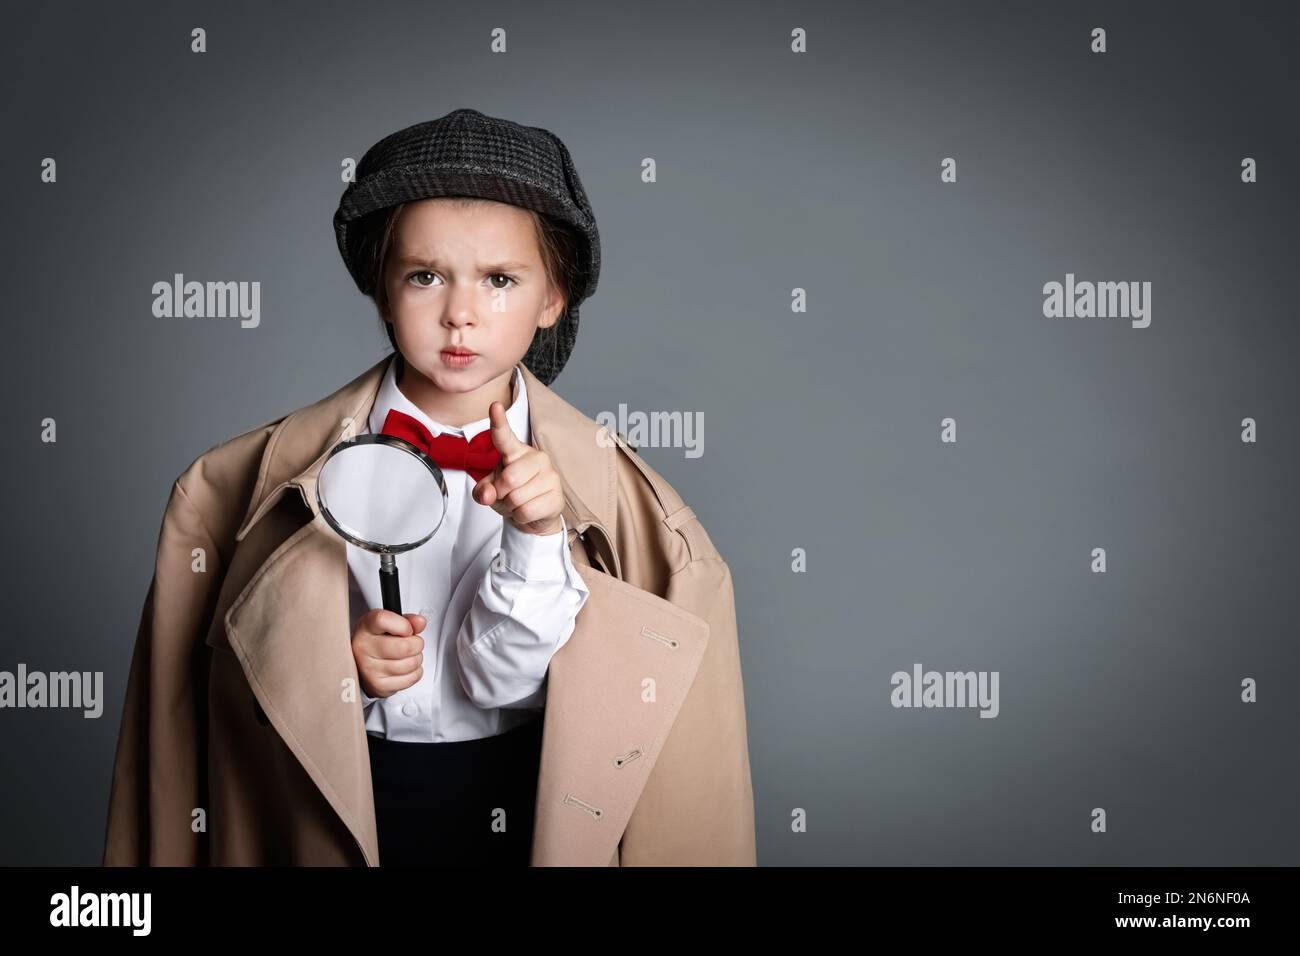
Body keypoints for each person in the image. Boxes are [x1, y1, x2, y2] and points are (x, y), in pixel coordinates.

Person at [103, 108, 756, 866]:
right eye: (425, 275)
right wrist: (338, 674)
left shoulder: (653, 524)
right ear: (381, 291)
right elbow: (175, 750)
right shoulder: (225, 494)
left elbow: (535, 698)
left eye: (501, 280)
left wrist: (539, 537)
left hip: (530, 818)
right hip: (336, 817)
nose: (460, 315)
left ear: (553, 301)